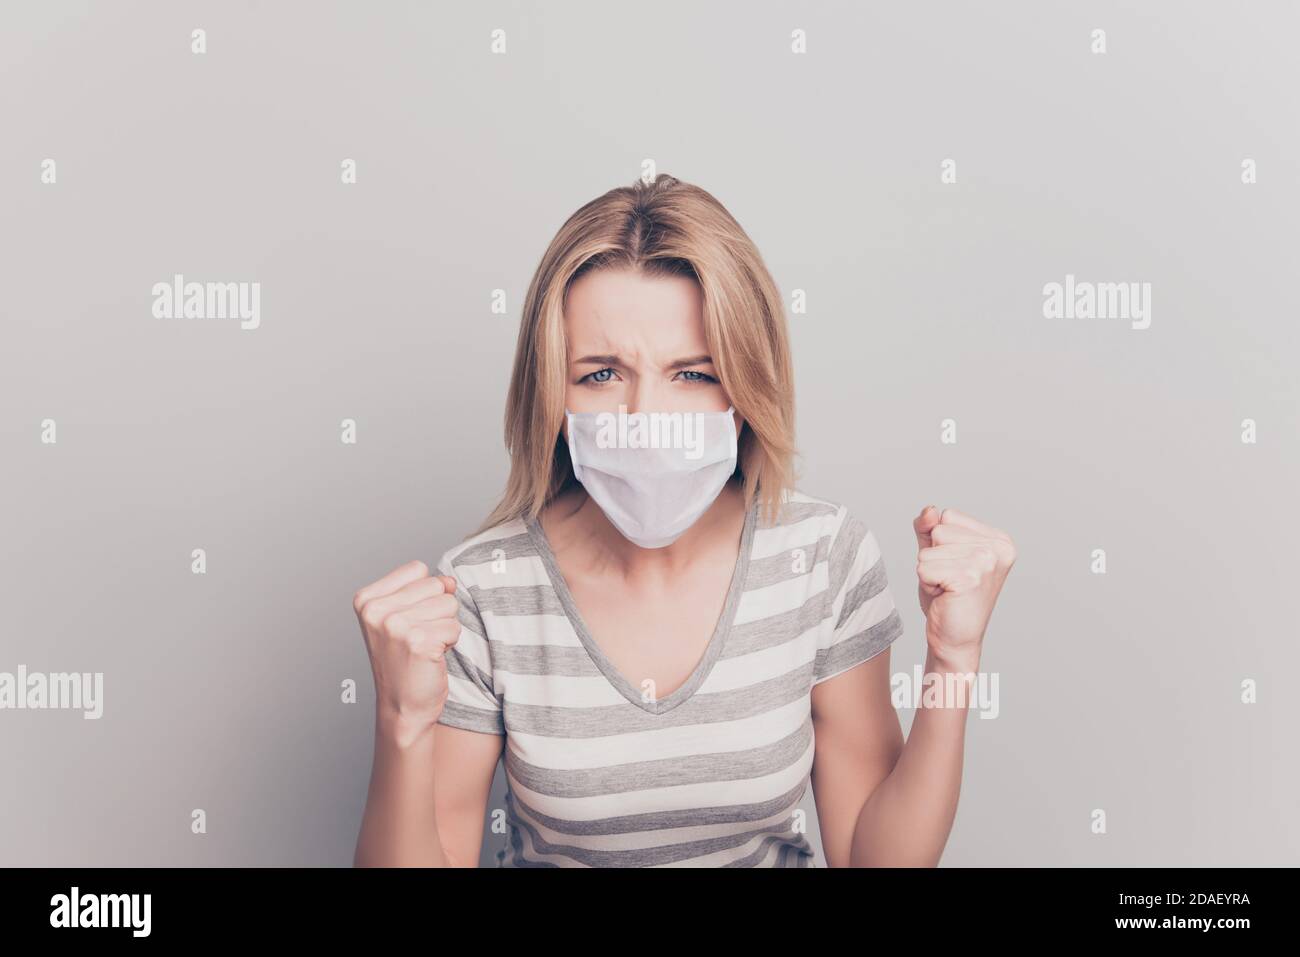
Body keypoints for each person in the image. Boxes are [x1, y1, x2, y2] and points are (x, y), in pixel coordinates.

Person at [352, 174, 1016, 867]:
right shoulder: (481, 590)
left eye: (692, 373)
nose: (645, 420)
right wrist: (401, 723)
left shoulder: (822, 559)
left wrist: (954, 661)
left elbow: (875, 861)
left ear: (744, 384)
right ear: (552, 391)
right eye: (602, 374)